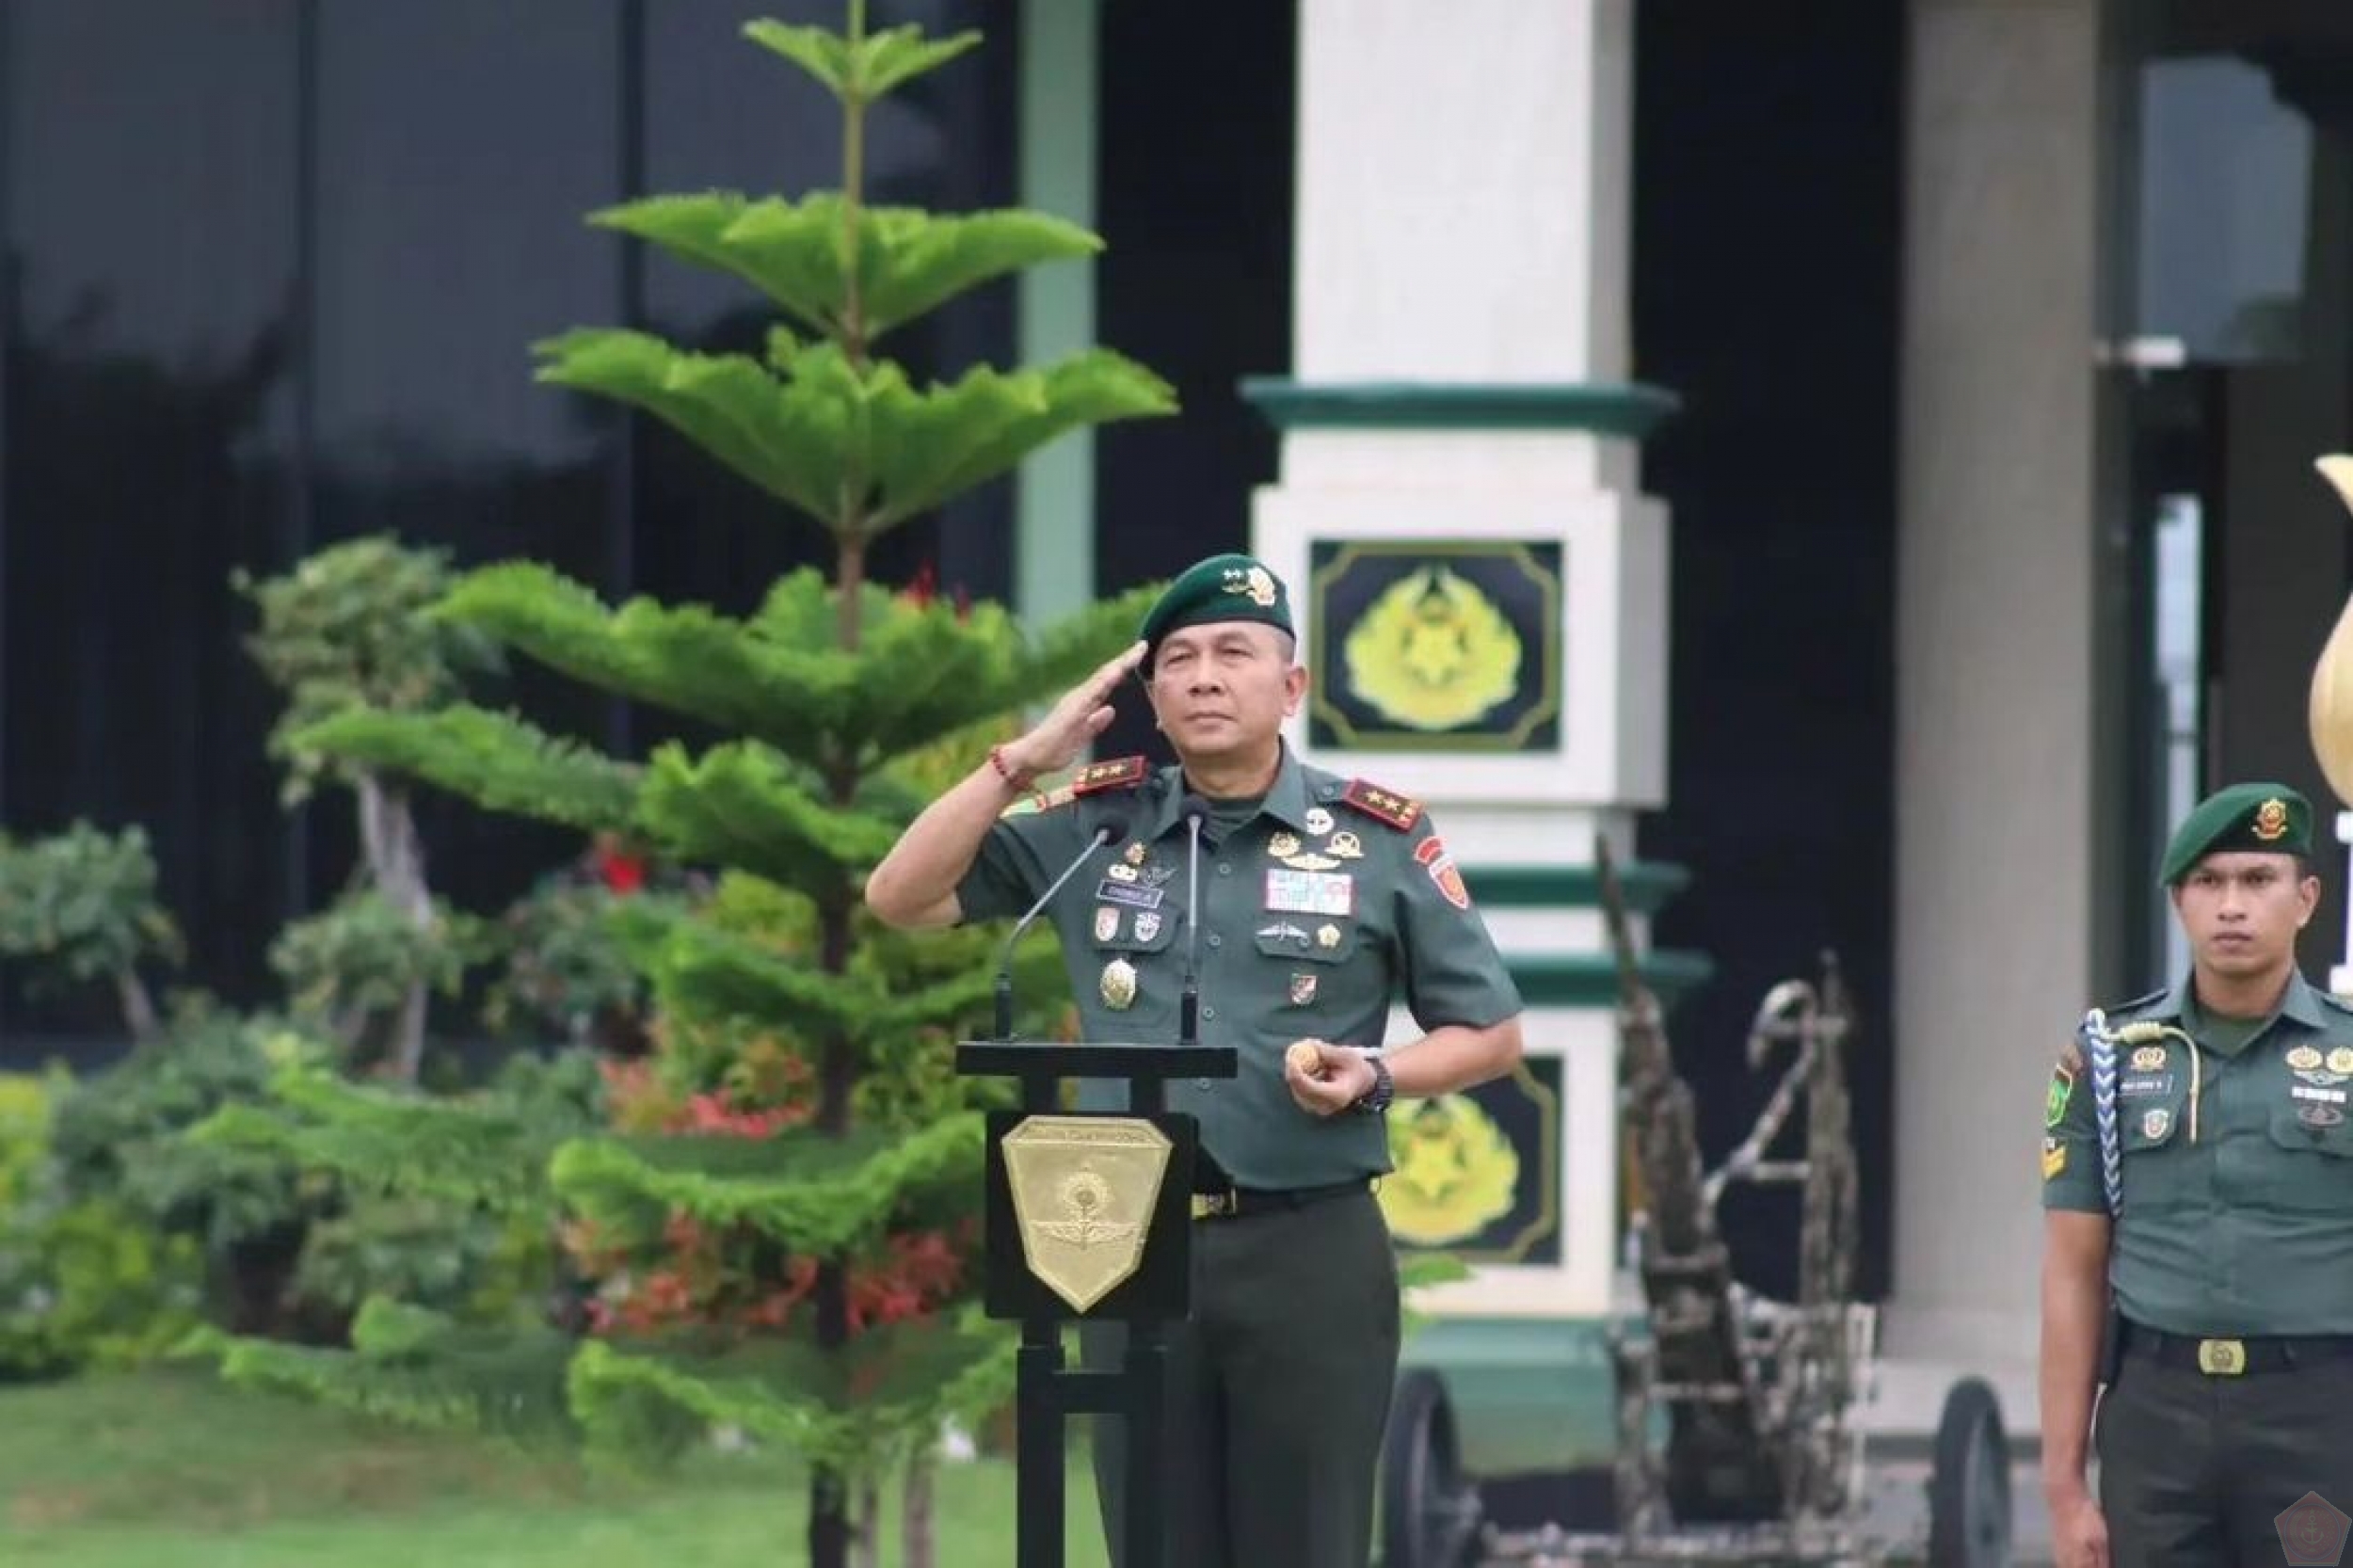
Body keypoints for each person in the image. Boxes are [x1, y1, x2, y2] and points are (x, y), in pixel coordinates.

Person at [864, 552, 1525, 1568]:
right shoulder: (1096, 822)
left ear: (1290, 686)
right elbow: (900, 897)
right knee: (1153, 1545)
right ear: (1151, 695)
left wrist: (1378, 1074)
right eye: (1178, 659)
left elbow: (1490, 1034)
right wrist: (1025, 759)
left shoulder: (1376, 840)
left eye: (1232, 652)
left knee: (1304, 1544)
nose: (1205, 676)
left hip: (1307, 1245)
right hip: (1122, 1240)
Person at [2041, 780, 2353, 1567]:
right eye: (2208, 883)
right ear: (2179, 901)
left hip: (2316, 1423)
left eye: (2258, 880)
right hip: (2157, 1424)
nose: (2233, 906)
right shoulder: (2105, 1062)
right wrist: (2064, 1487)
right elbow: (2072, 1274)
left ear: (2307, 898)